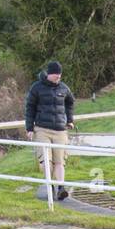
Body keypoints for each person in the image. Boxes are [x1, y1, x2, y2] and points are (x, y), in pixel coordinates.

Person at [25, 60, 75, 201]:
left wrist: (70, 120)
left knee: (59, 161)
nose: (58, 78)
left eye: (60, 75)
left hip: (60, 130)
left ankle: (60, 188)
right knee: (46, 161)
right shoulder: (37, 88)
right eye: (56, 75)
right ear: (49, 74)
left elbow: (70, 103)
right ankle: (50, 185)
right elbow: (30, 107)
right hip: (42, 129)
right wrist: (29, 128)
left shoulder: (64, 88)